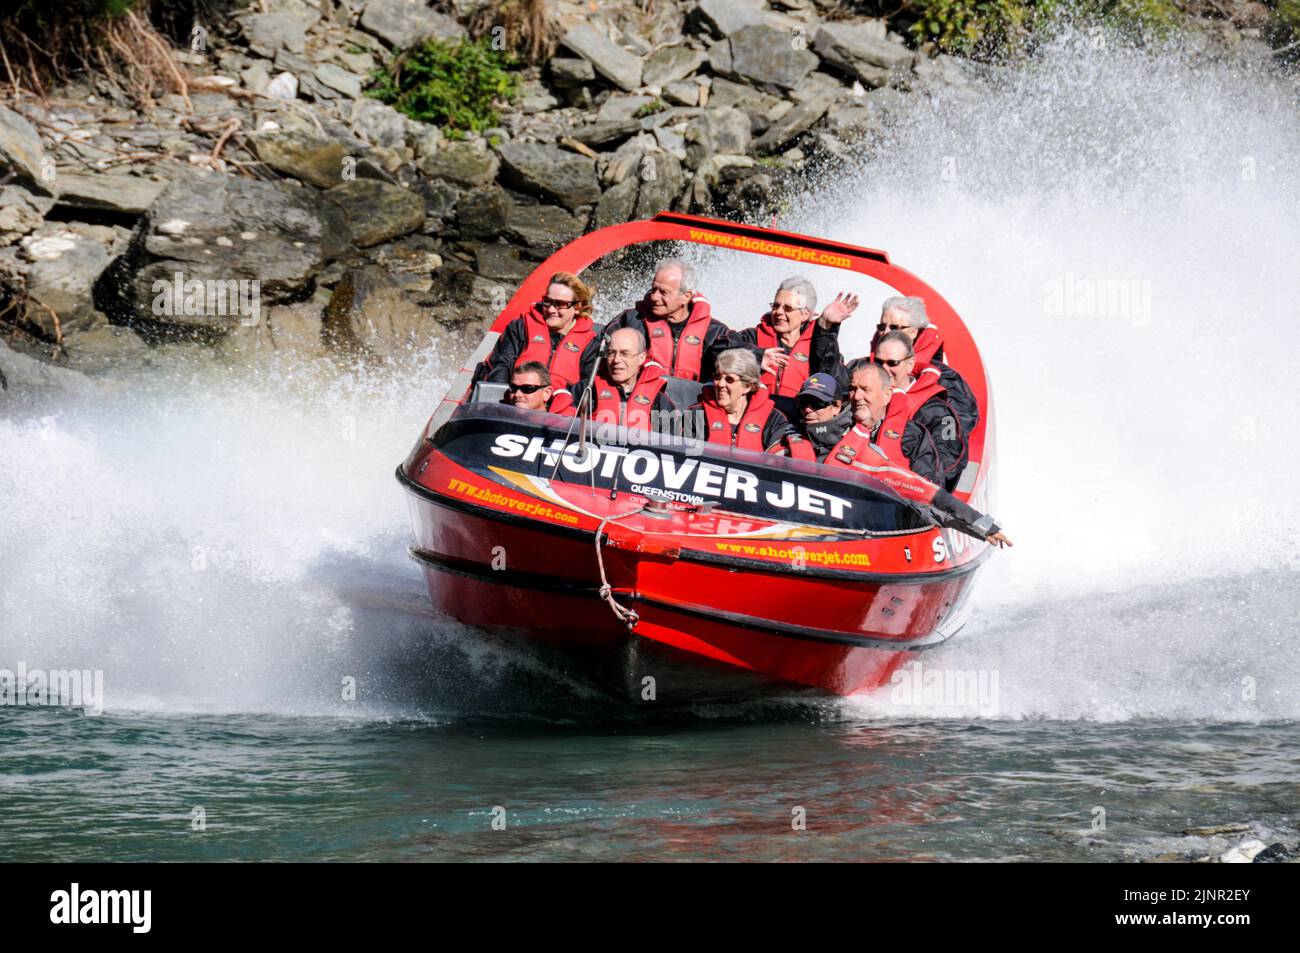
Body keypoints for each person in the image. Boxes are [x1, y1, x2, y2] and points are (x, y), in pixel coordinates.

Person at [825, 361, 1011, 546]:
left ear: (887, 394)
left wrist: (977, 524)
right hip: (832, 524)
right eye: (853, 389)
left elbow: (927, 491)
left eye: (866, 390)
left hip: (895, 530)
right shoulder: (832, 428)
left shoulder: (911, 435)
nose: (857, 396)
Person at [729, 276, 856, 419]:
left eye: (787, 308)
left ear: (805, 314)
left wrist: (826, 327)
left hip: (796, 421)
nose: (778, 312)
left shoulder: (820, 345)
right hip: (751, 415)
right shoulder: (751, 337)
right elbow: (720, 349)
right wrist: (756, 356)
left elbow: (835, 382)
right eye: (776, 306)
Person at [872, 295, 978, 460]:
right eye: (881, 326)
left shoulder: (947, 380)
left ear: (913, 332)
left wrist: (912, 437)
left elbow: (952, 442)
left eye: (894, 327)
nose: (885, 333)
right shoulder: (864, 367)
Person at [605, 258, 732, 382]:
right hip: (643, 399)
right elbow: (599, 351)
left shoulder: (716, 333)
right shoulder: (630, 321)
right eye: (654, 289)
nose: (654, 297)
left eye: (663, 292)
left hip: (693, 400)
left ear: (685, 297)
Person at [474, 272, 601, 392]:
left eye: (559, 304)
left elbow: (586, 388)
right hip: (514, 404)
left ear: (577, 308)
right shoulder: (520, 328)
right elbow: (501, 366)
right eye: (547, 301)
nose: (551, 309)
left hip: (560, 411)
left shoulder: (591, 345)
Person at [874, 331, 969, 489]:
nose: (884, 369)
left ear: (910, 364)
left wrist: (913, 482)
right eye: (879, 363)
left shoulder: (938, 411)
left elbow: (950, 459)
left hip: (907, 492)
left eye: (892, 363)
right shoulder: (862, 396)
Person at [691, 348, 813, 458]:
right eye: (717, 377)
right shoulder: (693, 413)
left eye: (729, 379)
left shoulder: (775, 420)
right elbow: (679, 457)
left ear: (747, 386)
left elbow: (777, 467)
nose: (720, 384)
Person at [550, 327, 676, 432]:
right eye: (611, 353)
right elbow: (558, 429)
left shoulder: (659, 402)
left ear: (641, 358)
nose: (616, 360)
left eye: (625, 354)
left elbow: (670, 447)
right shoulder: (586, 389)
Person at [793, 372, 854, 462]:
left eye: (816, 403)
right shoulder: (787, 435)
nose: (807, 409)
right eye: (803, 402)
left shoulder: (853, 441)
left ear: (836, 407)